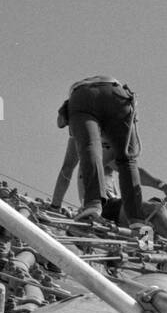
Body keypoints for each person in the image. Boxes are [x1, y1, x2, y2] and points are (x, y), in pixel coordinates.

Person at [50, 76, 143, 221]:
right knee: (127, 161)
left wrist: (55, 207)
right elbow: (131, 168)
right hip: (118, 94)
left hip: (83, 95)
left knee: (90, 148)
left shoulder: (83, 131)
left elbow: (67, 169)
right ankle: (138, 221)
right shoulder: (113, 141)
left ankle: (93, 205)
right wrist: (161, 185)